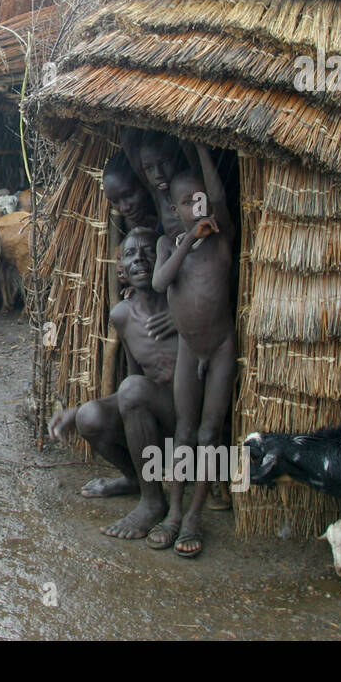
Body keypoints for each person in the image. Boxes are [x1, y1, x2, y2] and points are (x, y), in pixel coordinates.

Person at [49, 228, 179, 536]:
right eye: (130, 255)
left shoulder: (181, 303)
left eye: (148, 251)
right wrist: (74, 412)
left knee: (133, 390)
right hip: (156, 421)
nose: (140, 260)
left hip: (191, 422)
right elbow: (135, 383)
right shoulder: (122, 315)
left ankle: (152, 502)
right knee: (89, 415)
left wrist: (183, 316)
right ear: (121, 272)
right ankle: (135, 478)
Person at [148, 142, 236, 558]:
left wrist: (199, 146)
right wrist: (186, 241)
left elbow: (216, 194)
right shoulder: (170, 245)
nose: (197, 207)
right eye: (187, 202)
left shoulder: (224, 239)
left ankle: (195, 517)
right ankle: (174, 511)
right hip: (188, 347)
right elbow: (160, 283)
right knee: (183, 432)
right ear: (175, 207)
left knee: (208, 434)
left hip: (219, 348)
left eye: (201, 200)